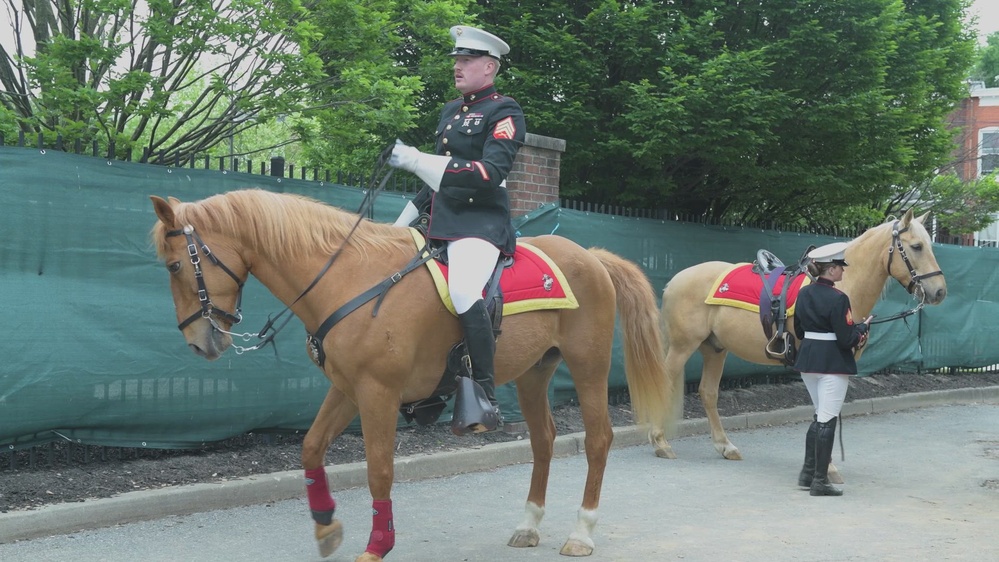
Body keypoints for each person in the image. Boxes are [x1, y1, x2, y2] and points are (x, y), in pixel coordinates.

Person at [388, 25, 527, 435]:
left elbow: (489, 173)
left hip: (480, 223)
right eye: (456, 60)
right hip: (441, 221)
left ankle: (485, 396)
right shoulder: (451, 111)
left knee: (464, 290)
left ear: (489, 66)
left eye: (466, 61)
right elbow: (436, 182)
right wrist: (395, 227)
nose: (457, 67)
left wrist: (418, 160)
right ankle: (428, 389)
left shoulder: (506, 111)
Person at [792, 241, 873, 496]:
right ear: (830, 270)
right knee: (826, 418)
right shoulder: (839, 299)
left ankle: (807, 474)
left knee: (819, 415)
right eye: (840, 267)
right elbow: (846, 339)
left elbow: (799, 330)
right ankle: (819, 481)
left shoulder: (803, 293)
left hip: (809, 361)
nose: (843, 271)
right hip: (832, 363)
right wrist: (862, 330)